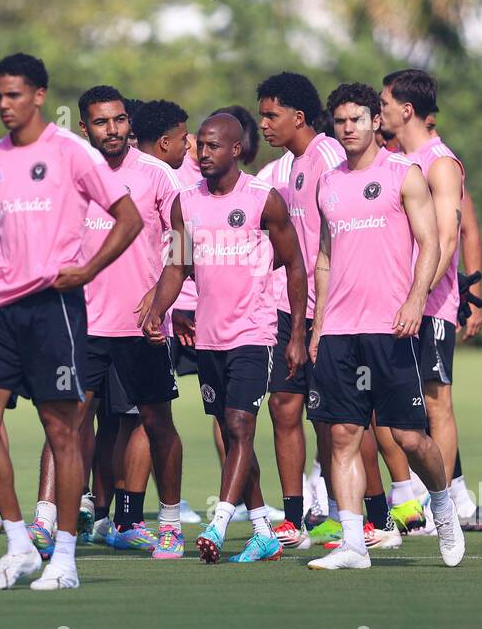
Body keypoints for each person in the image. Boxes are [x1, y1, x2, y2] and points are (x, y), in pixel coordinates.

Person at [0, 53, 142, 591]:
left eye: (14, 95)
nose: (4, 105)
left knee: (64, 431)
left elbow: (129, 219)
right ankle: (19, 544)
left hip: (55, 308)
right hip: (2, 313)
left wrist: (88, 269)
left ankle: (65, 558)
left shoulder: (72, 153)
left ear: (38, 95)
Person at [307, 81, 465, 570]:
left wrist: (417, 301)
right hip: (339, 330)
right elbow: (326, 259)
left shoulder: (405, 172)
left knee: (408, 436)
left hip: (391, 327)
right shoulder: (328, 182)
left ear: (377, 120)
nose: (348, 128)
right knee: (343, 436)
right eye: (340, 121)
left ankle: (442, 506)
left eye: (357, 119)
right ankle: (354, 544)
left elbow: (432, 243)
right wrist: (317, 325)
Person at [142, 112, 306, 565]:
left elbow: (294, 264)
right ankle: (262, 531)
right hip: (208, 338)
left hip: (254, 333)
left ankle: (217, 524)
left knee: (240, 425)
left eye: (214, 146)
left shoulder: (264, 199)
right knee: (233, 432)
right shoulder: (184, 203)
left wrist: (298, 334)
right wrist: (158, 310)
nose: (204, 153)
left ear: (236, 149)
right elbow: (176, 266)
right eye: (201, 146)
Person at [380, 68, 482, 533]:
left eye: (385, 103)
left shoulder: (441, 162)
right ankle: (405, 500)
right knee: (386, 409)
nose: (380, 110)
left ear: (406, 110)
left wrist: (416, 295)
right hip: (393, 303)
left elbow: (447, 240)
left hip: (430, 307)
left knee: (435, 404)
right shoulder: (392, 160)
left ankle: (440, 508)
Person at [74, 85, 186, 557]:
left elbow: (183, 245)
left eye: (119, 120)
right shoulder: (72, 174)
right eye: (101, 122)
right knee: (70, 422)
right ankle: (51, 521)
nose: (113, 129)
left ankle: (169, 524)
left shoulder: (158, 175)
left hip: (143, 326)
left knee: (155, 422)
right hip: (81, 324)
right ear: (85, 128)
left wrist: (160, 300)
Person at [255, 71, 345, 550]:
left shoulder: (329, 156)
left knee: (333, 417)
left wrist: (327, 313)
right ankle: (293, 517)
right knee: (283, 405)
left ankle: (345, 515)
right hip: (291, 307)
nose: (264, 124)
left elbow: (341, 240)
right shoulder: (289, 167)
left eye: (272, 115)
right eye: (262, 115)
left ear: (299, 116)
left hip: (330, 310)